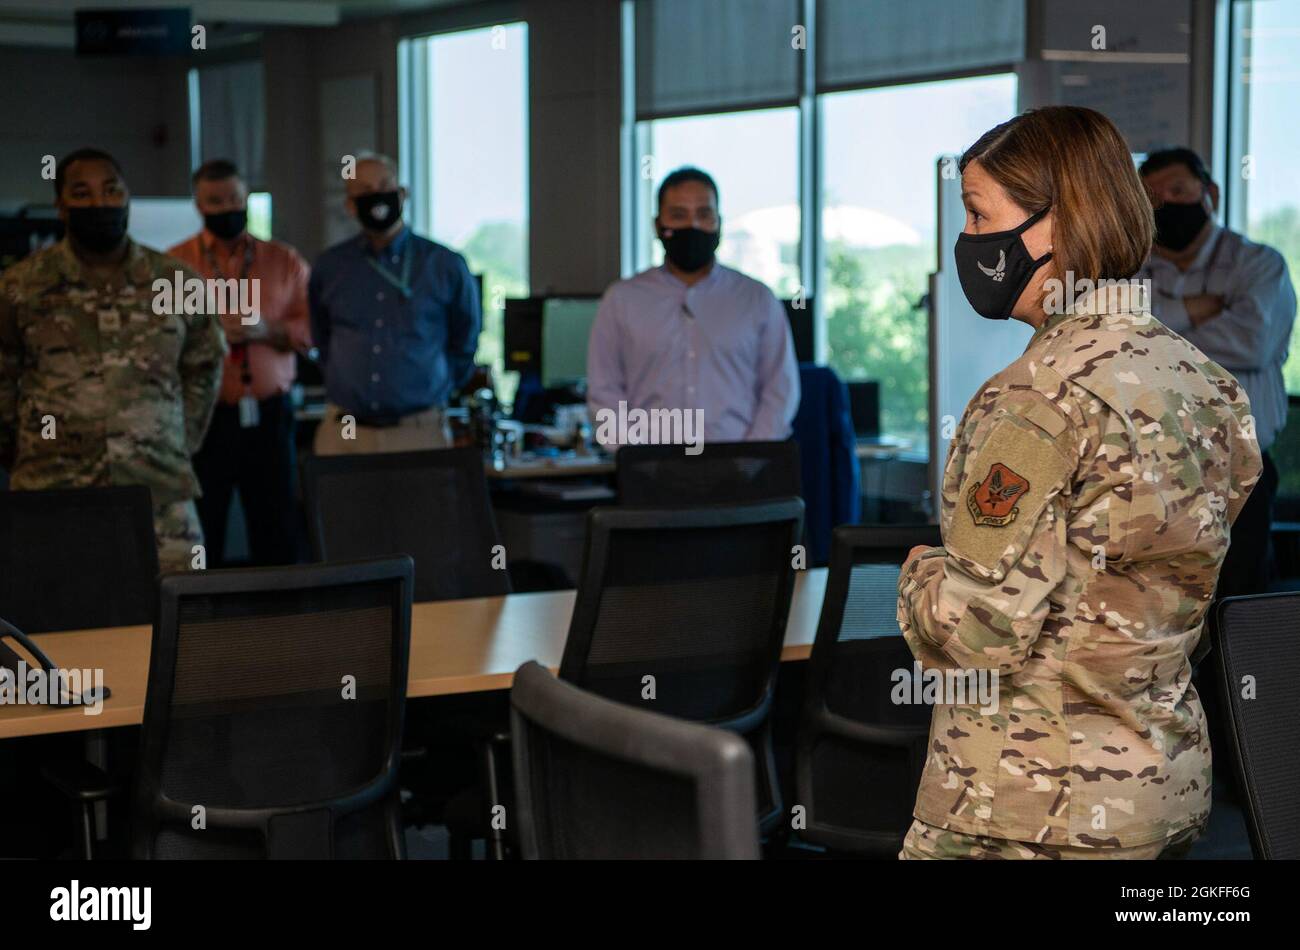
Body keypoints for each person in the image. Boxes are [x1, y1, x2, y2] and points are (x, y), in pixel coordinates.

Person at [896, 107, 1261, 860]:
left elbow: (978, 632)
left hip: (1029, 808)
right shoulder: (1208, 386)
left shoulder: (1038, 396)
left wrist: (918, 577)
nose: (967, 242)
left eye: (976, 214)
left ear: (1055, 226)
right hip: (1161, 790)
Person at [0, 148, 225, 572]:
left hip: (159, 492)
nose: (99, 204)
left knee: (176, 621)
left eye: (110, 190)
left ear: (127, 197)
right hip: (52, 492)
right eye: (82, 194)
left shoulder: (176, 281)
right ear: (61, 207)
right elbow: (3, 378)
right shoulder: (20, 287)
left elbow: (204, 367)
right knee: (56, 625)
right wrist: (30, 449)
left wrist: (172, 438)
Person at [1137, 147, 1296, 597]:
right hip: (1154, 471)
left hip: (1240, 472)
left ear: (1211, 194)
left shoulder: (1260, 264)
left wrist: (1161, 324)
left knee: (1238, 601)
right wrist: (1202, 310)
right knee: (1159, 606)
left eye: (1179, 190)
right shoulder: (1128, 269)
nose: (1167, 203)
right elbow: (1122, 340)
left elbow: (1253, 341)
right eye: (1154, 198)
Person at [587, 167, 799, 447]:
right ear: (658, 225)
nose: (693, 226)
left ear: (719, 222)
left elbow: (780, 391)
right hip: (648, 469)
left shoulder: (757, 299)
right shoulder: (621, 299)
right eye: (678, 215)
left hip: (739, 467)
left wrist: (750, 458)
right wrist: (634, 456)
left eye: (704, 214)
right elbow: (604, 391)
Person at [168, 160, 311, 567]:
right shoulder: (174, 265)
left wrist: (268, 330)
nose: (227, 206)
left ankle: (284, 620)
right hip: (204, 418)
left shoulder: (285, 261)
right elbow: (158, 341)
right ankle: (200, 621)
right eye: (216, 200)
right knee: (202, 527)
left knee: (277, 525)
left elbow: (312, 330)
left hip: (269, 416)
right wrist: (209, 337)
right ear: (199, 204)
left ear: (246, 197)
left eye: (234, 197)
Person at [309, 154, 480, 454]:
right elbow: (321, 337)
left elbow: (465, 341)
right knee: (342, 502)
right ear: (350, 205)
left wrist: (432, 385)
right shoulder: (330, 267)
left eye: (385, 185)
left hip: (418, 428)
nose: (376, 196)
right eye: (363, 191)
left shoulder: (444, 265)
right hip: (346, 430)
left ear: (403, 194)